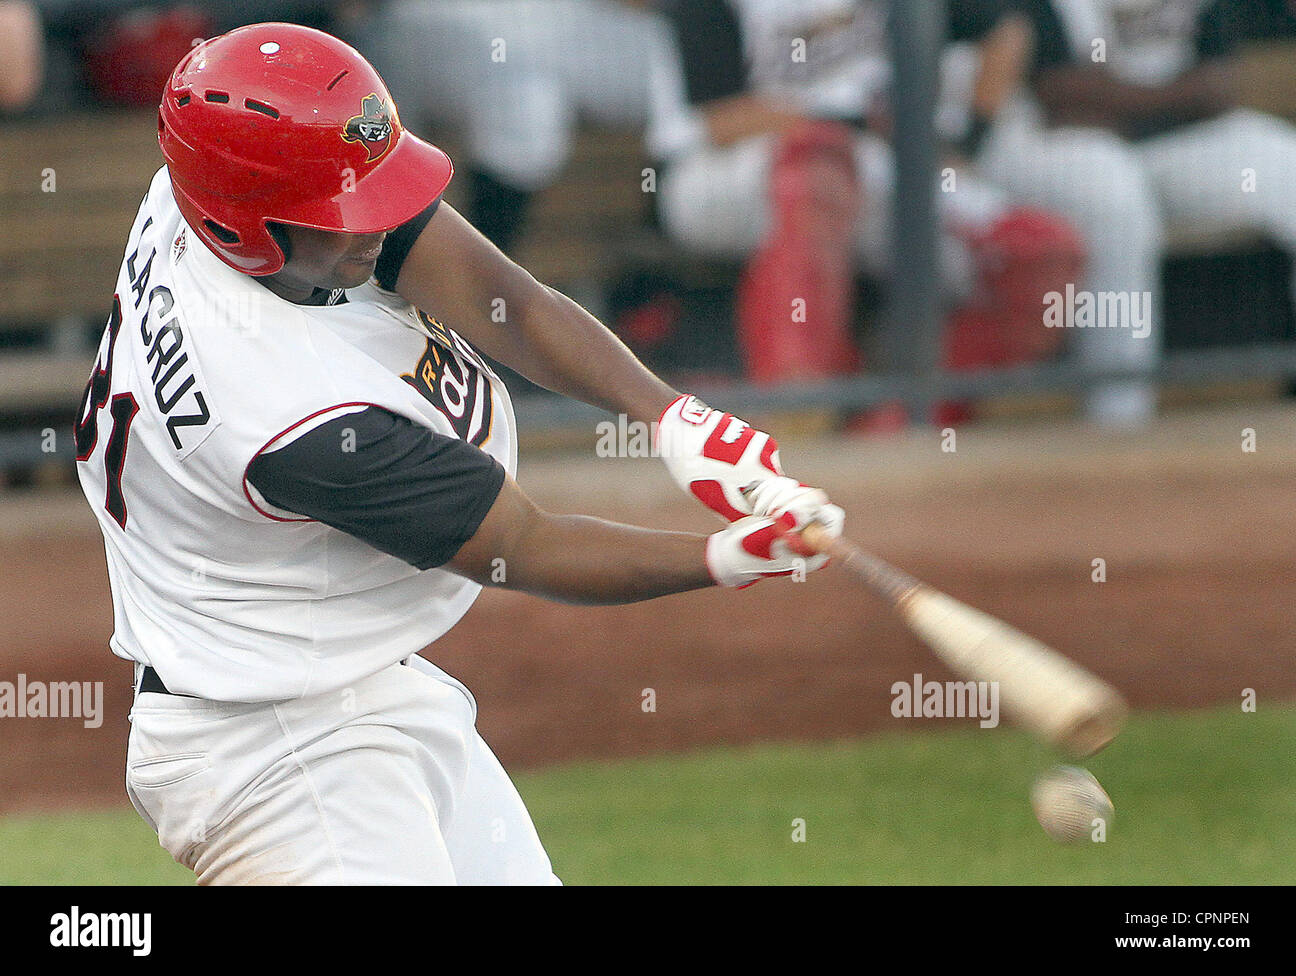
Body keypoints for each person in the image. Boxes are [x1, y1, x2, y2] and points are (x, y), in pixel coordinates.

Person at [74, 23, 844, 885]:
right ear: (243, 227)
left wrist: (675, 420)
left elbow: (497, 294)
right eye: (347, 214)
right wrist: (726, 556)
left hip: (355, 678)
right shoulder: (283, 414)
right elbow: (526, 547)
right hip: (269, 754)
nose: (378, 227)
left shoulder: (206, 188)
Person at [646, 0, 1085, 416]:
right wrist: (845, 122)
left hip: (871, 162)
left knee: (1044, 254)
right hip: (721, 172)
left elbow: (1007, 28)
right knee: (819, 165)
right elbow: (715, 120)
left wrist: (969, 140)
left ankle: (903, 422)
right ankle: (798, 409)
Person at [981, 0, 1296, 424]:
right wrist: (1174, 99)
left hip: (1168, 135)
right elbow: (1056, 93)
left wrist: (1127, 105)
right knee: (1115, 200)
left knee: (1290, 170)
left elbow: (1220, 86)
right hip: (1044, 142)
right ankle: (1118, 422)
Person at [352, 0, 667, 252]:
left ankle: (654, 250)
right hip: (441, 17)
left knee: (662, 52)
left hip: (566, 18)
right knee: (524, 95)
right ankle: (475, 273)